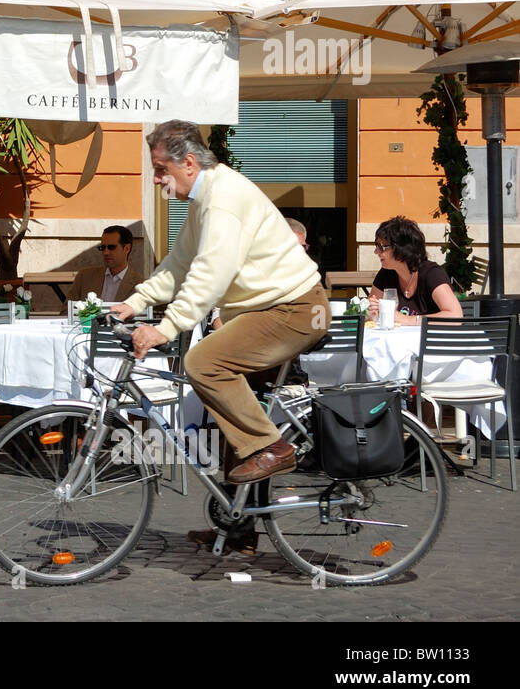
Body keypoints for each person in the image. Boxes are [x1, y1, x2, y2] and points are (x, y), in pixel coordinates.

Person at [111, 121, 329, 500]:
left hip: (294, 308)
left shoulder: (222, 199)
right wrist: (134, 302)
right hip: (272, 309)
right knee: (235, 417)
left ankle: (274, 447)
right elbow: (179, 264)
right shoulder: (204, 199)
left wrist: (167, 327)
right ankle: (238, 528)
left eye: (161, 170)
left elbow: (211, 272)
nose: (156, 180)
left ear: (189, 163)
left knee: (203, 363)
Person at [371, 216, 463, 323]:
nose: (376, 252)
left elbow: (455, 316)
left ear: (401, 248)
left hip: (431, 339)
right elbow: (370, 311)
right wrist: (371, 312)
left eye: (382, 247)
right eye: (376, 245)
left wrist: (409, 320)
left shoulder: (431, 273)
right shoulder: (386, 273)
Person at [68, 225, 142, 303]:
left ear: (126, 248)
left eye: (111, 247)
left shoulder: (140, 286)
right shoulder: (84, 277)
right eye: (102, 248)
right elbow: (67, 311)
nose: (105, 252)